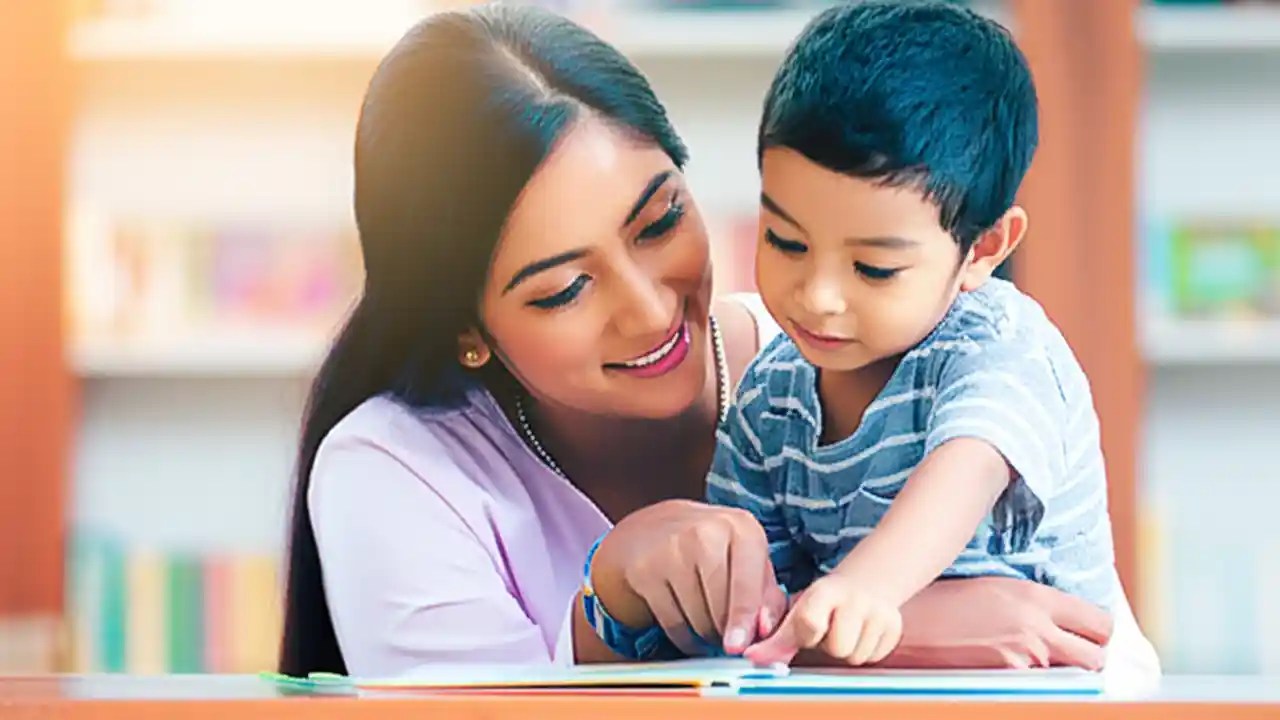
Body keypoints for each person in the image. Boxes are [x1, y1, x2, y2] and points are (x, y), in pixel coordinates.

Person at [279, 2, 1141, 680]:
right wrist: (886, 632)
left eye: (658, 223)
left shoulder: (845, 348)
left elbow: (1112, 654)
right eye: (565, 289)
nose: (650, 310)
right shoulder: (393, 466)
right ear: (463, 326)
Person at [695, 0, 1158, 676]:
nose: (818, 295)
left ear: (983, 250)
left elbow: (969, 463)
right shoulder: (770, 400)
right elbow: (759, 621)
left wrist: (870, 589)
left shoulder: (998, 343)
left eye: (874, 268)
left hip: (1055, 696)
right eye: (786, 241)